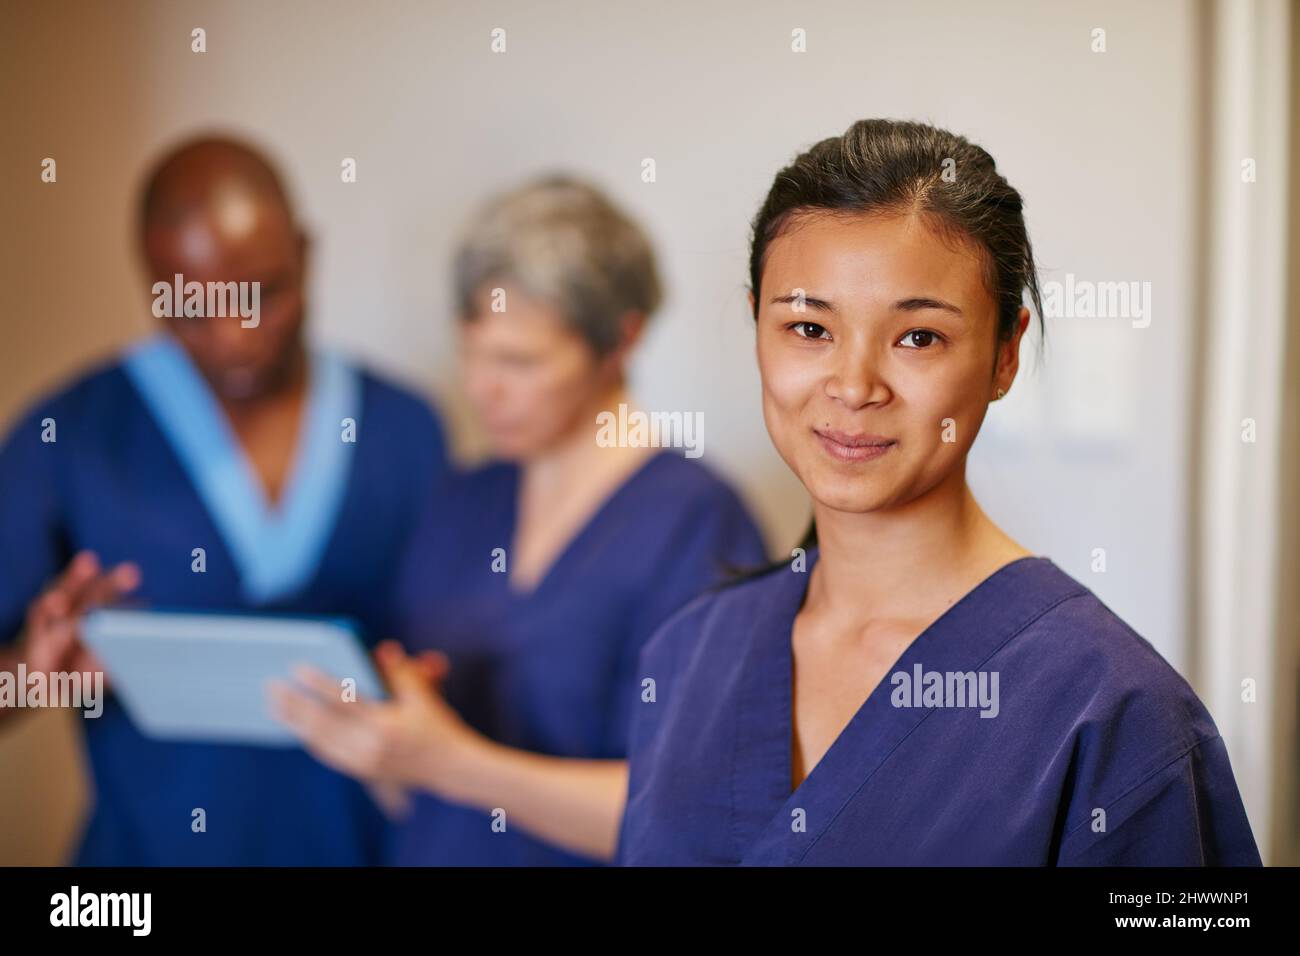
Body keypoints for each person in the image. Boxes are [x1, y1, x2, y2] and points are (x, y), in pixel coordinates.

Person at [274, 121, 1261, 866]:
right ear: (754, 326)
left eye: (917, 335)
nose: (852, 383)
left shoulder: (1110, 711)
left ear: (1004, 353)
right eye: (806, 327)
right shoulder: (697, 655)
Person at [271, 175, 767, 865]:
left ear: (621, 341)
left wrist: (450, 762)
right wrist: (384, 739)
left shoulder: (697, 523)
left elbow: (694, 816)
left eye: (519, 361)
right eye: (470, 351)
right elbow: (407, 770)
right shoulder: (462, 502)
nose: (480, 388)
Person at [0, 135, 449, 865]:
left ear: (306, 254)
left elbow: (455, 681)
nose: (237, 336)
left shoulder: (405, 428)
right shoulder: (72, 436)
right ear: (151, 286)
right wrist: (29, 672)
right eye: (194, 310)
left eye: (265, 294)